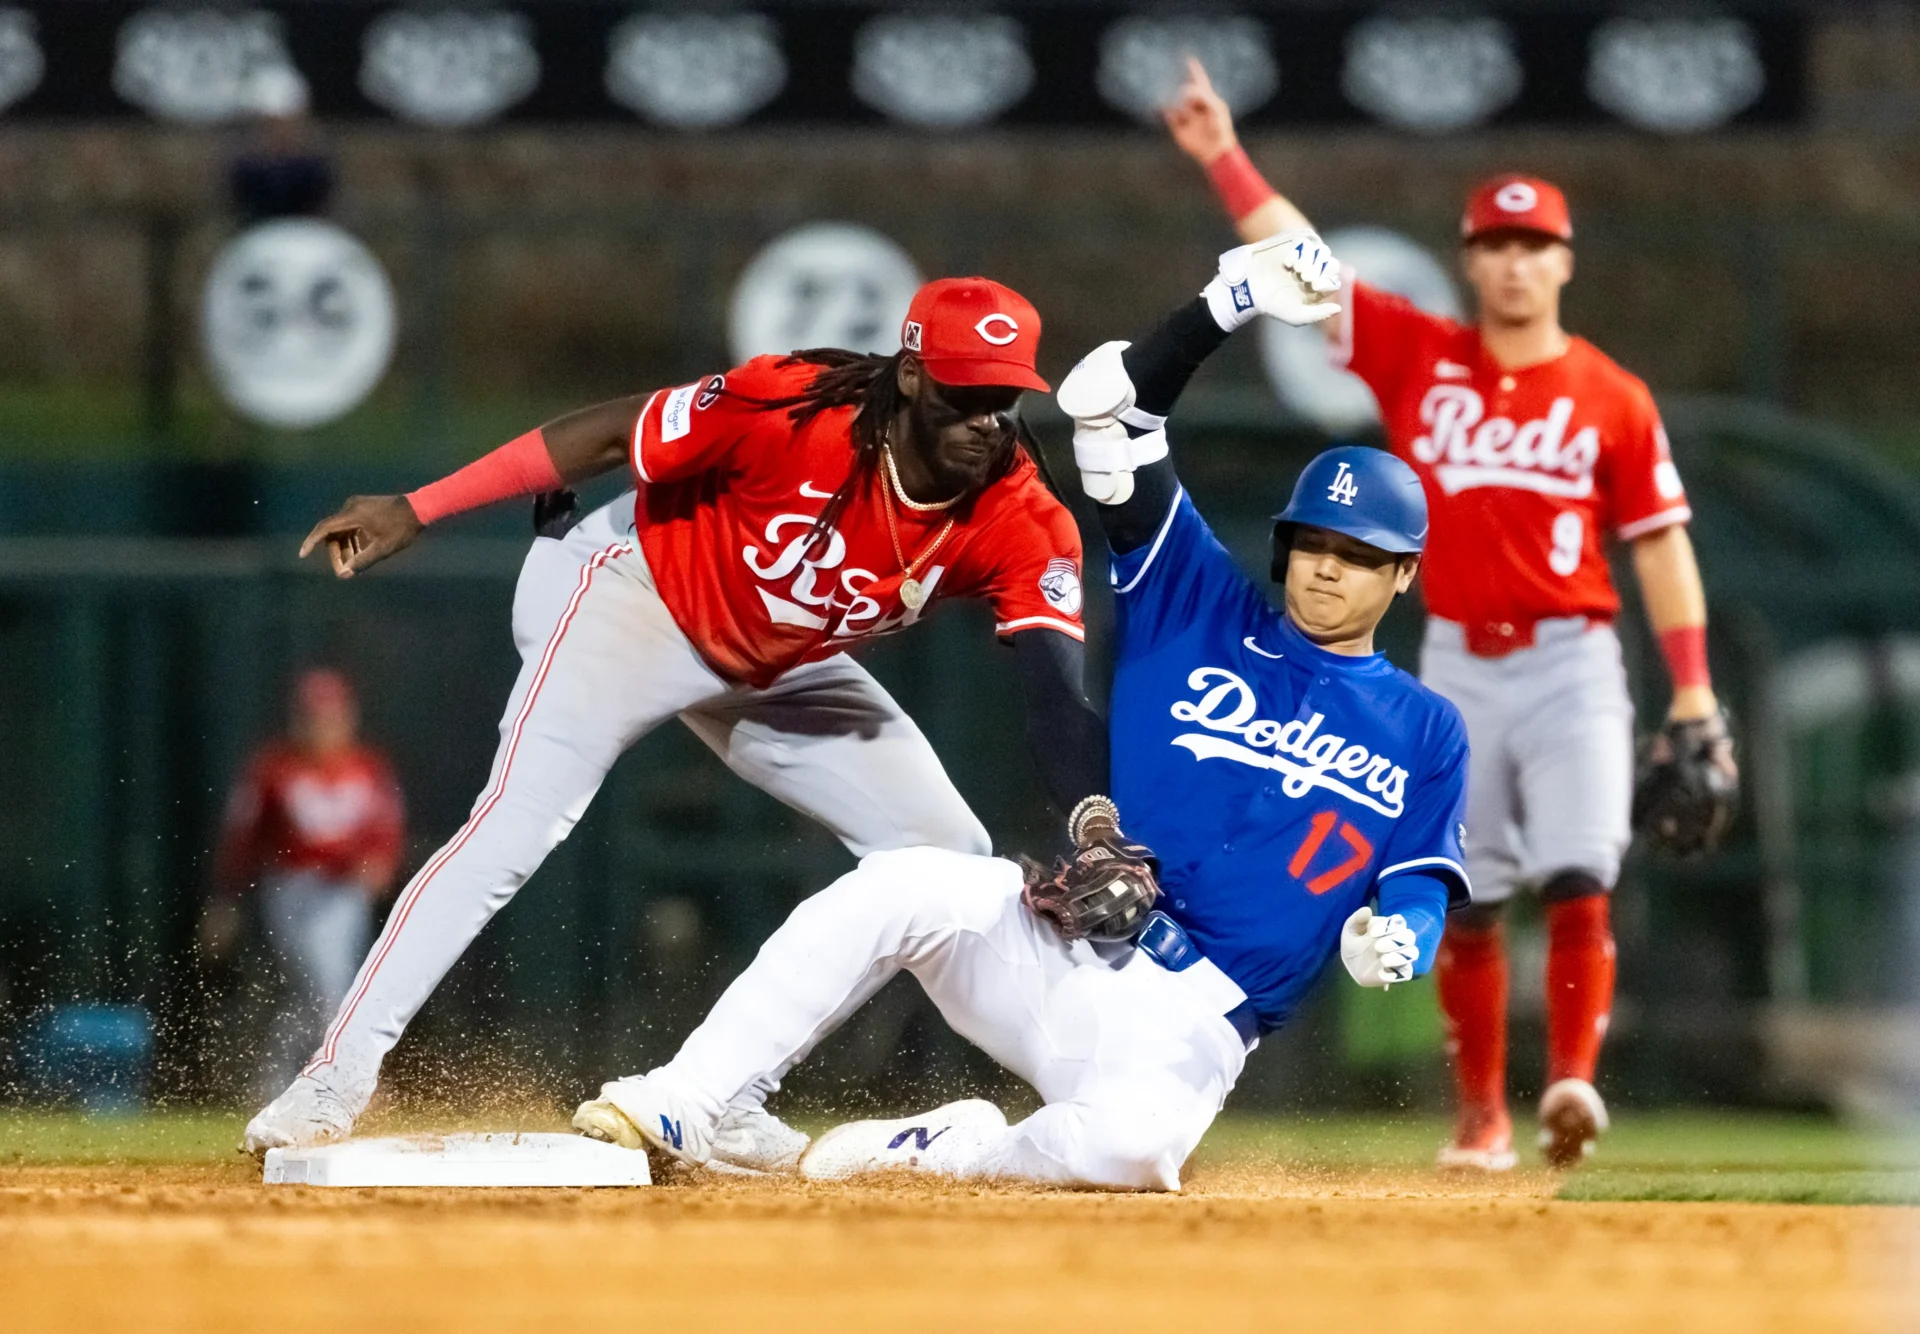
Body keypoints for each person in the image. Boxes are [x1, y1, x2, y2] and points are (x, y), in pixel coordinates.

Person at [570, 238, 1472, 1192]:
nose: (1329, 567)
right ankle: (689, 1098)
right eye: (1312, 543)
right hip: (1068, 944)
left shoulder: (1425, 728)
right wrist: (1227, 301)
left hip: (1199, 1028)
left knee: (1128, 1154)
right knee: (904, 882)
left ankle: (954, 1151)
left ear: (1404, 573)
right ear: (1286, 547)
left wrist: (1406, 937)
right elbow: (1110, 410)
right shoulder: (1196, 600)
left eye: (1361, 554)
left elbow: (1420, 879)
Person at [242, 277, 1111, 1164]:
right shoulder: (793, 405)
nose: (987, 421)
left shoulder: (1019, 514)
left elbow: (1053, 691)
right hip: (634, 595)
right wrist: (420, 507)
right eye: (968, 395)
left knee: (947, 862)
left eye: (1003, 399)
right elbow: (618, 428)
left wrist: (1096, 823)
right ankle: (334, 1079)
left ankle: (729, 1097)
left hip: (781, 660)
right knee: (514, 827)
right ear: (917, 377)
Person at [1163, 57, 1739, 1168]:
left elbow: (1661, 542)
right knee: (1462, 888)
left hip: (1575, 660)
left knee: (1582, 868)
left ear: (1564, 262)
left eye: (1534, 244)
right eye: (1495, 243)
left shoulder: (1612, 394)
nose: (1515, 262)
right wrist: (1221, 155)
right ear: (1470, 260)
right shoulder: (1421, 358)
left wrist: (1696, 685)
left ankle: (1570, 1081)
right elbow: (1307, 264)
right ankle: (1480, 1118)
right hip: (1462, 664)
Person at [207, 668, 404, 1099]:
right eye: (314, 716)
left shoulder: (368, 767)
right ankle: (353, 1084)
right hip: (294, 890)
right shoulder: (273, 769)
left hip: (347, 894)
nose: (323, 725)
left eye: (331, 715)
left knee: (315, 995)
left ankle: (275, 1087)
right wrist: (225, 900)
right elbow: (241, 838)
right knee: (328, 985)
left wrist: (380, 865)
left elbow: (387, 830)